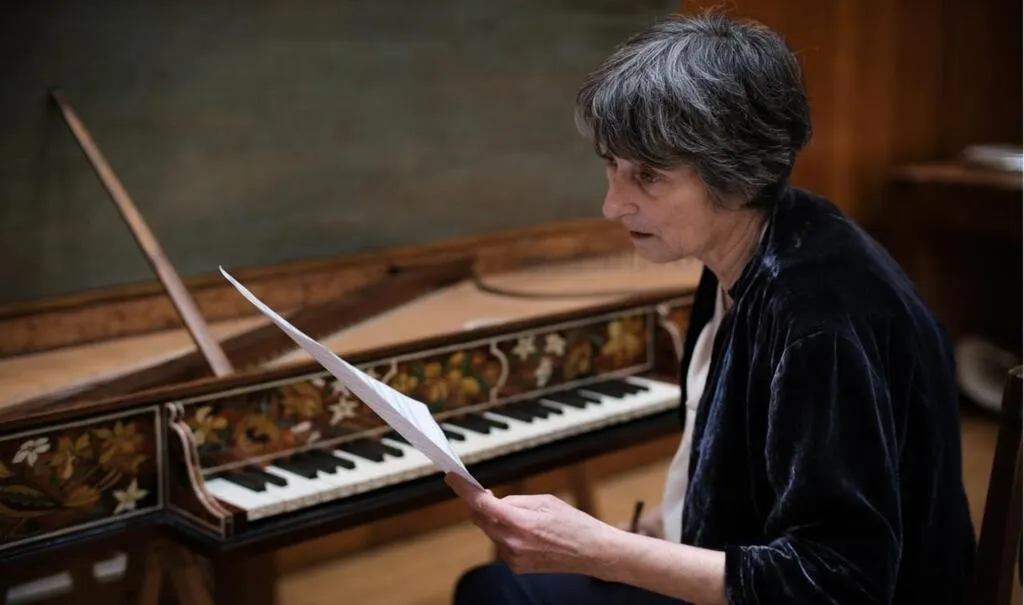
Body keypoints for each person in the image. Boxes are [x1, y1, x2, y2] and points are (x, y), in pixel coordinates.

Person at [444, 12, 976, 605]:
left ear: (736, 176)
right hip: (742, 564)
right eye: (612, 168)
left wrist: (603, 550)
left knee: (497, 594)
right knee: (491, 585)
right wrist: (666, 532)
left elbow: (839, 581)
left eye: (647, 177)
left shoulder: (819, 318)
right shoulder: (762, 238)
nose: (612, 205)